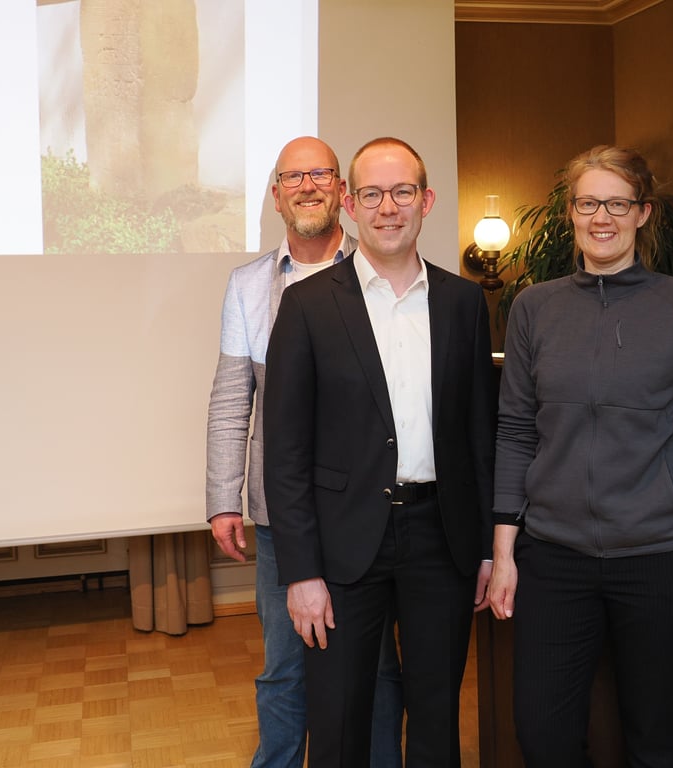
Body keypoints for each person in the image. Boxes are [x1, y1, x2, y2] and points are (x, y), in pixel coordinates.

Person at [489, 144, 673, 767]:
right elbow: (516, 431)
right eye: (589, 202)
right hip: (552, 557)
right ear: (569, 212)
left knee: (661, 740)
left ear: (643, 212)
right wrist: (504, 553)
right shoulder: (533, 309)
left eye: (618, 203)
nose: (603, 217)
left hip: (659, 557)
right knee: (543, 738)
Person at [262, 136, 496, 768]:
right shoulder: (307, 306)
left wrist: (481, 547)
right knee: (337, 724)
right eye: (371, 193)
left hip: (441, 540)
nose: (387, 208)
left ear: (427, 201)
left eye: (401, 193)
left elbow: (480, 435)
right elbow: (284, 453)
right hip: (341, 547)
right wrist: (301, 571)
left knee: (437, 722)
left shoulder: (464, 303)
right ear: (348, 202)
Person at [206, 136, 404, 767]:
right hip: (279, 516)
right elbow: (233, 398)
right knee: (287, 668)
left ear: (342, 192)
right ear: (276, 195)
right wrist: (222, 500)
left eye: (320, 173)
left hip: (369, 509)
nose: (308, 186)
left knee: (375, 668)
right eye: (293, 177)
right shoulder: (247, 286)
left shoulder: (378, 275)